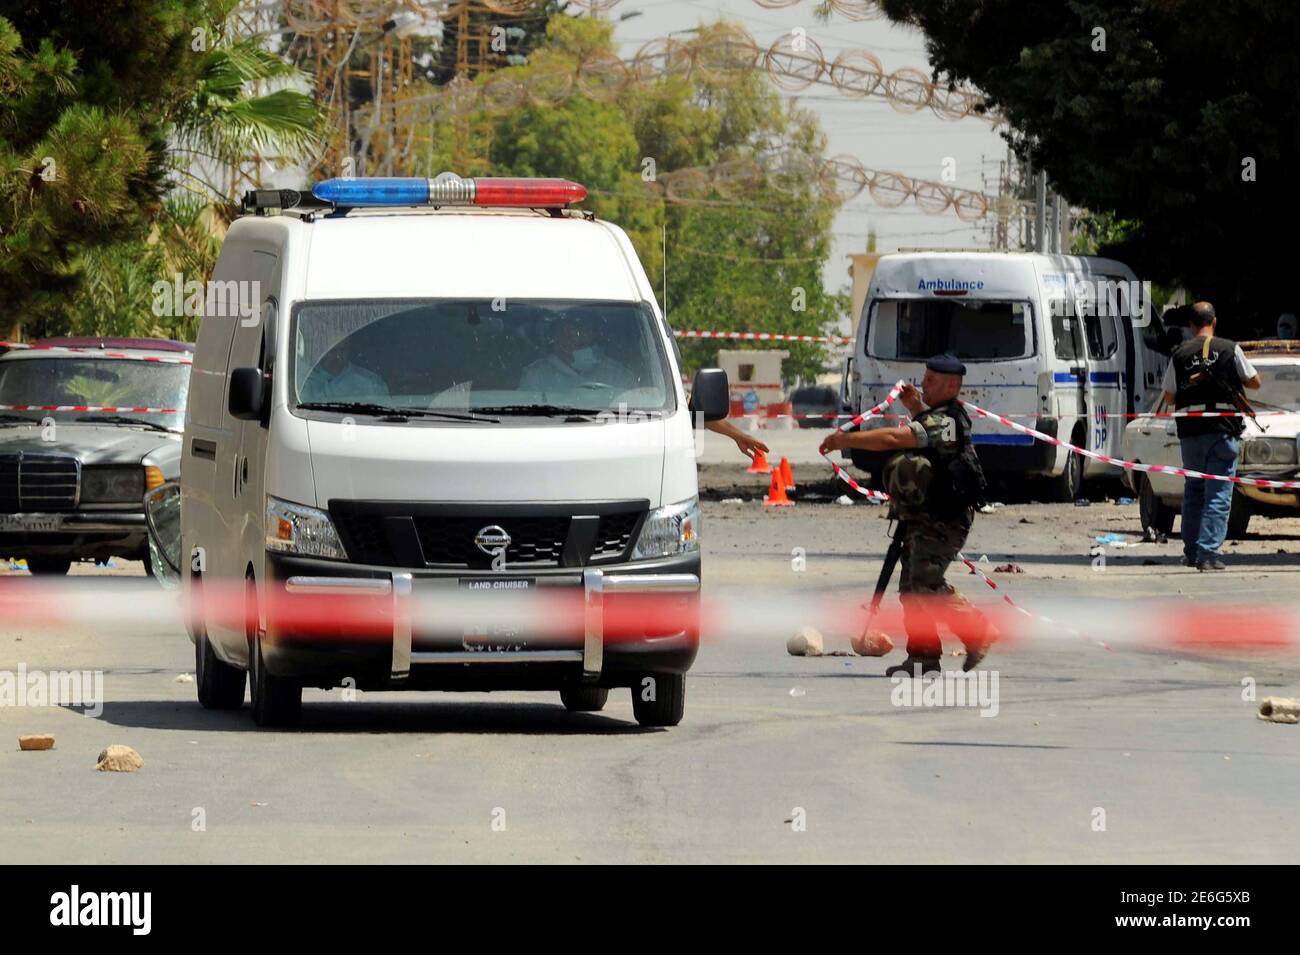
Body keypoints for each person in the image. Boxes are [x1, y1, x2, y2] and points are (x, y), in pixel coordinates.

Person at [820, 354, 996, 677]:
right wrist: (916, 407)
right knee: (911, 586)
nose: (923, 384)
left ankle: (976, 629)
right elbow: (926, 436)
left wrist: (844, 439)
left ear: (951, 385)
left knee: (926, 583)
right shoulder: (938, 417)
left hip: (945, 518)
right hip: (925, 514)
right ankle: (923, 655)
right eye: (924, 377)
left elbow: (894, 438)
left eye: (931, 380)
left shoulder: (949, 421)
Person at [1160, 301, 1261, 571]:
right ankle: (1207, 554)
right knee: (1218, 492)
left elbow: (1169, 396)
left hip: (1191, 432)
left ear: (1191, 326)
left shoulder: (1179, 354)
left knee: (1193, 490)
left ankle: (1191, 551)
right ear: (1214, 322)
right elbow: (1254, 381)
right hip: (1223, 431)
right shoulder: (1230, 348)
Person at [299, 337, 389, 404]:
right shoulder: (304, 380)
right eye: (332, 350)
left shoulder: (370, 381)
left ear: (348, 350)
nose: (338, 355)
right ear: (322, 351)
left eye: (342, 350)